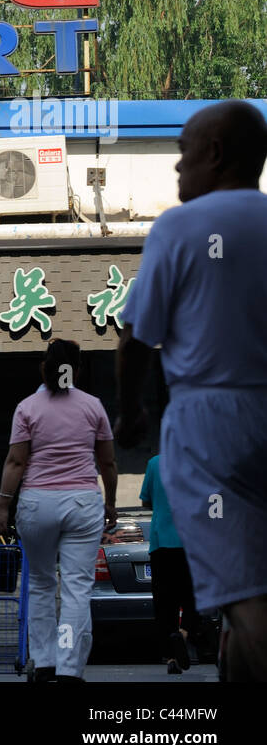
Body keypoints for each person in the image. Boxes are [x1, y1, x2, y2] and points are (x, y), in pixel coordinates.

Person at [115, 99, 267, 682]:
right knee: (248, 593)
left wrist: (132, 413)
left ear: (217, 154)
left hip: (211, 428)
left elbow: (134, 340)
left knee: (248, 597)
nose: (177, 170)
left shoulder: (182, 227)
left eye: (183, 155)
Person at [0, 339, 118, 683]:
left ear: (43, 368)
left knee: (41, 582)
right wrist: (110, 503)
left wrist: (2, 506)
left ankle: (44, 661)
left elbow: (16, 461)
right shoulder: (93, 406)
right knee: (78, 588)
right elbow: (107, 462)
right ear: (77, 370)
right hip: (81, 503)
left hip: (37, 505)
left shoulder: (27, 407)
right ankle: (68, 668)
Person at [139, 453, 205, 674]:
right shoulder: (200, 461)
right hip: (192, 540)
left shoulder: (154, 463)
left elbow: (145, 499)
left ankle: (170, 658)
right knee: (193, 596)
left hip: (161, 541)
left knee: (164, 601)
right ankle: (184, 634)